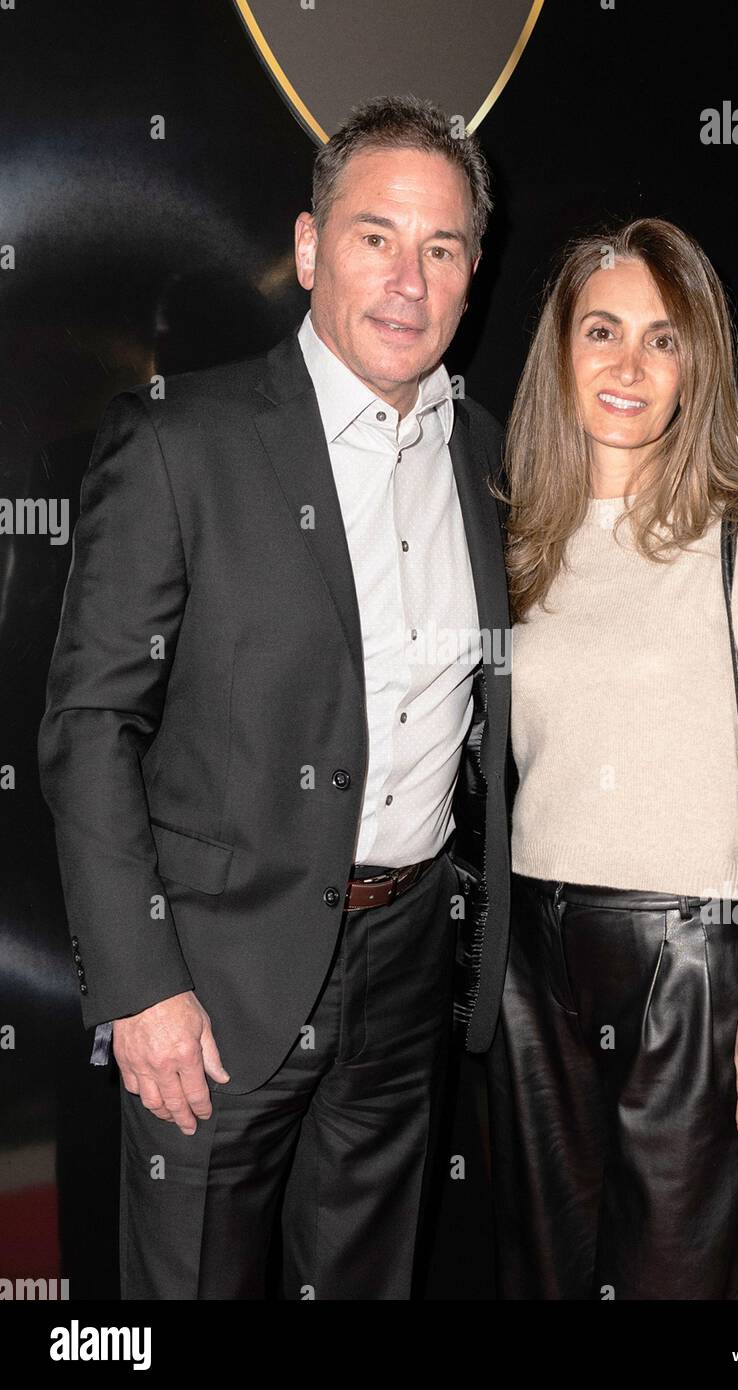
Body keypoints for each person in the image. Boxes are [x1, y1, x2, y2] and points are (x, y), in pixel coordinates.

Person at [37, 95, 511, 1300]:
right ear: (308, 248)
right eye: (374, 236)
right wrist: (140, 985)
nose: (406, 280)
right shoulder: (178, 441)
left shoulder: (485, 456)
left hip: (406, 970)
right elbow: (89, 728)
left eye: (441, 247)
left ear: (470, 274)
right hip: (210, 980)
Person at [487, 218, 738, 1299]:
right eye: (601, 330)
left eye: (662, 339)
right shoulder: (516, 539)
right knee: (545, 1279)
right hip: (529, 960)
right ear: (559, 351)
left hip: (694, 962)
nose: (628, 365)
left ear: (696, 365)